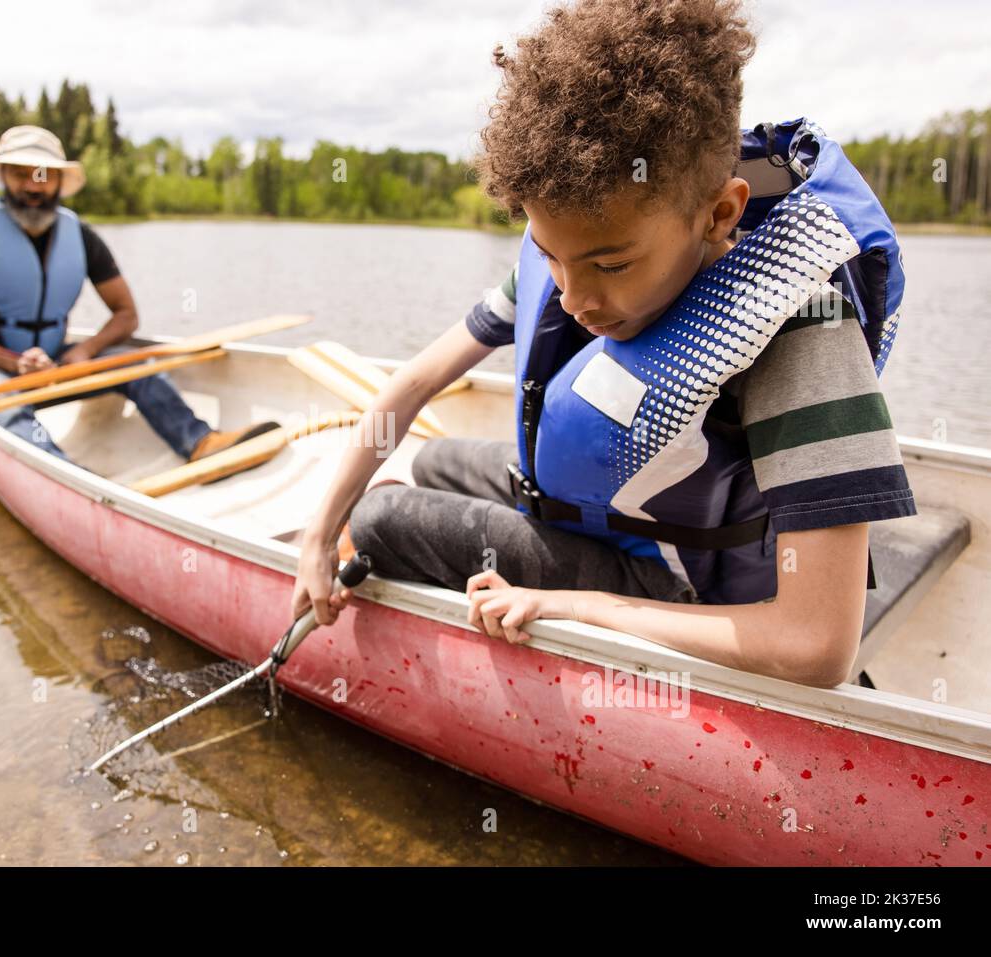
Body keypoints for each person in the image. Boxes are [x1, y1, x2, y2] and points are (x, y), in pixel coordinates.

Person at [290, 0, 915, 689]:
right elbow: (413, 384)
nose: (572, 299)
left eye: (611, 266)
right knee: (431, 458)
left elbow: (816, 646)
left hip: (683, 585)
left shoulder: (803, 326)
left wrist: (576, 608)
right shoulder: (578, 252)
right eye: (551, 257)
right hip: (600, 510)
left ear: (720, 213)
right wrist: (316, 536)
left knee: (382, 515)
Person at [0, 125, 277, 465]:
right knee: (4, 408)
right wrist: (14, 362)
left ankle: (200, 442)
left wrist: (86, 350)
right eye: (20, 174)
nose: (33, 186)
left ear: (59, 180)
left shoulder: (81, 236)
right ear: (3, 177)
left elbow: (126, 314)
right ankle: (65, 474)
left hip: (57, 359)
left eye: (43, 175)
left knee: (138, 366)